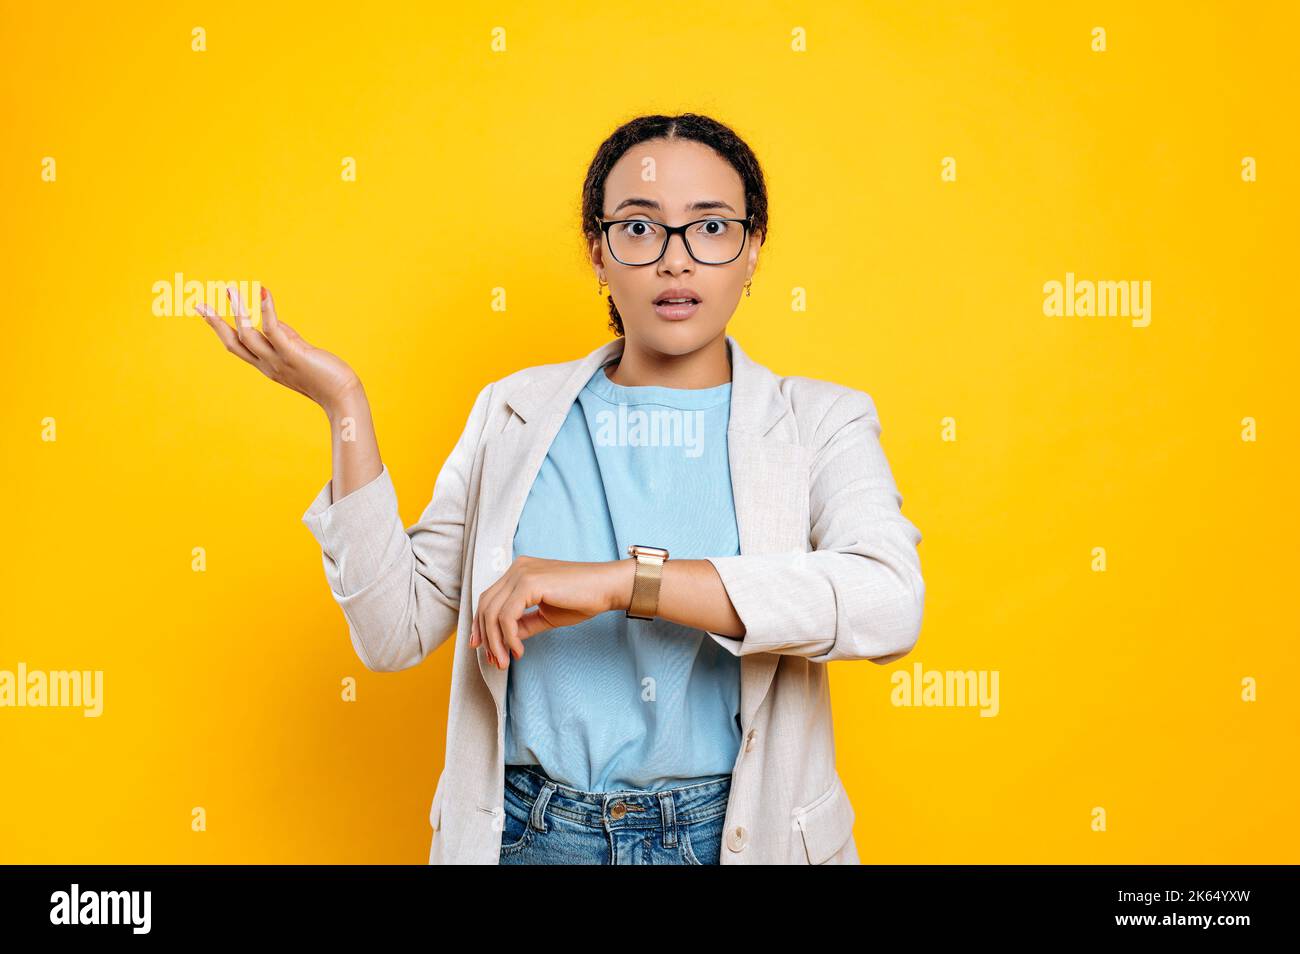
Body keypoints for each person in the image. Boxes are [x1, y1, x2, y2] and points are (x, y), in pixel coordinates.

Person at [197, 112, 926, 865]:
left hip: (733, 832)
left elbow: (889, 600)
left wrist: (623, 585)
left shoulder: (820, 421)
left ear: (752, 253)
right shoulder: (513, 411)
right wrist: (345, 408)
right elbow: (393, 630)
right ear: (598, 255)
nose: (675, 261)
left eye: (711, 228)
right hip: (532, 834)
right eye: (639, 230)